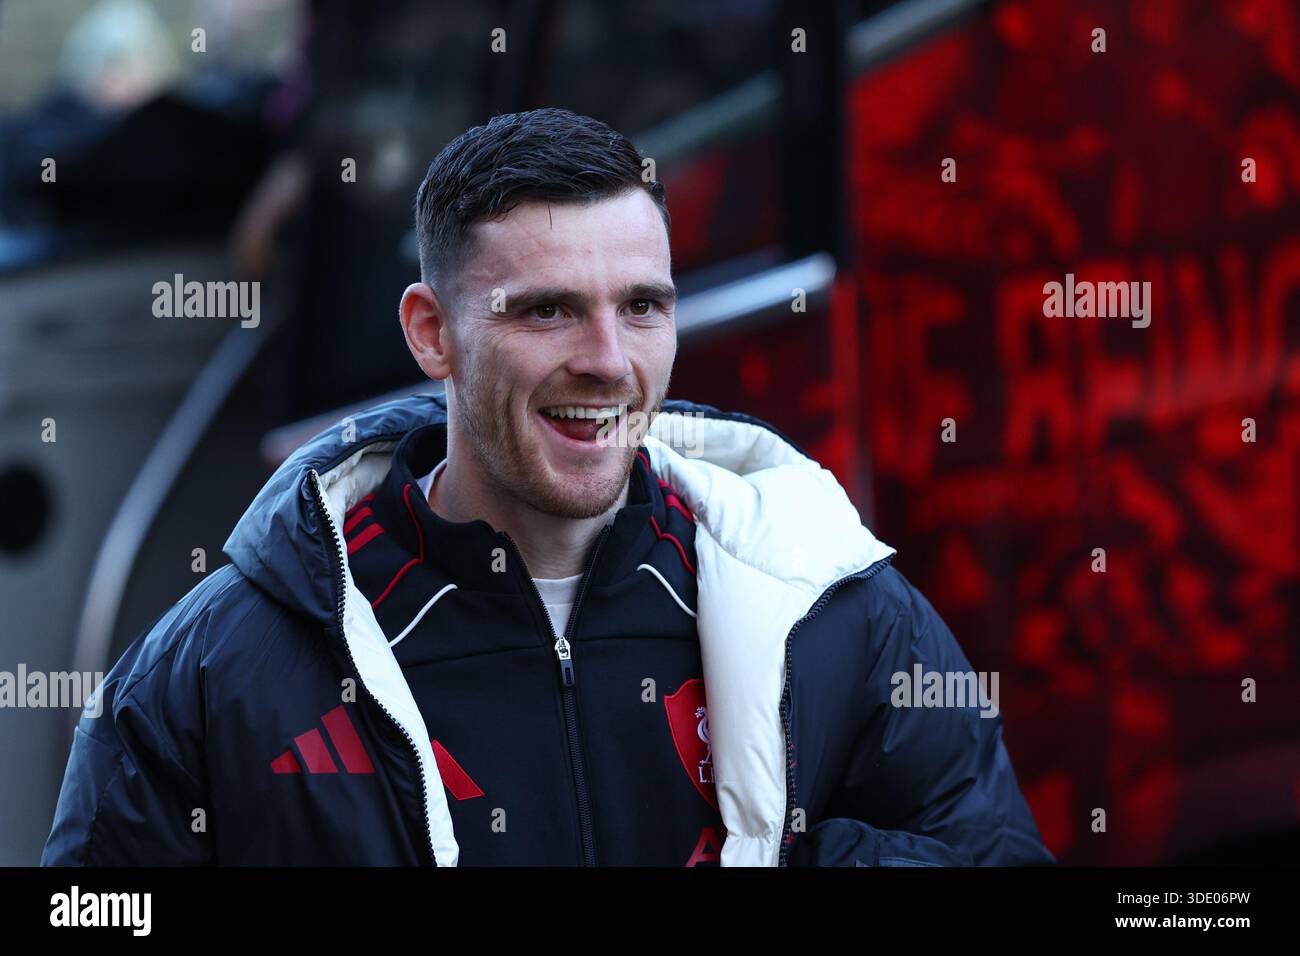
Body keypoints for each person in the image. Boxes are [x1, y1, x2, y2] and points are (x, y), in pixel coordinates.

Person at [41, 107, 1054, 867]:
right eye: (549, 312)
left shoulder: (831, 601)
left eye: (644, 305)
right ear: (432, 332)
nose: (609, 360)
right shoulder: (214, 672)